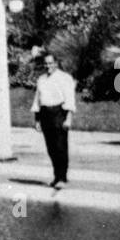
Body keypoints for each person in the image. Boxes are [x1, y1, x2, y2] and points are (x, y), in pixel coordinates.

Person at [31, 52, 76, 189]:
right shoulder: (41, 79)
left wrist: (68, 118)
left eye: (50, 63)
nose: (48, 66)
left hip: (59, 113)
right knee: (51, 148)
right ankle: (57, 176)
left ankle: (62, 177)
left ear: (56, 63)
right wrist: (37, 120)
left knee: (60, 146)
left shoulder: (65, 78)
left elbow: (69, 98)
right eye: (46, 63)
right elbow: (37, 100)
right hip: (45, 114)